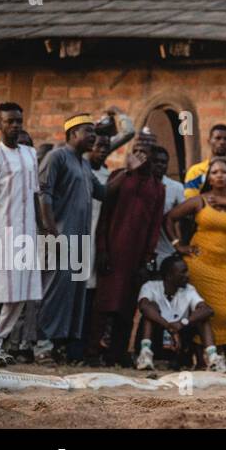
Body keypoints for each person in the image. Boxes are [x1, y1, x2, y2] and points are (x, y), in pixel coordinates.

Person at [166, 157, 226, 369]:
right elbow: (169, 218)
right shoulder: (199, 200)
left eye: (224, 172)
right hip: (200, 264)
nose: (219, 176)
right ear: (208, 178)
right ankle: (203, 360)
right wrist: (178, 245)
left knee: (225, 313)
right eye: (214, 172)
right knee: (202, 311)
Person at [87, 137, 164, 365]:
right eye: (136, 150)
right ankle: (92, 353)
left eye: (144, 152)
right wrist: (102, 249)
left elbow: (155, 226)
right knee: (103, 305)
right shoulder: (118, 177)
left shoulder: (158, 188)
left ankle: (116, 354)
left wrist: (147, 259)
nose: (139, 155)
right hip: (113, 250)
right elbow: (105, 214)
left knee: (126, 307)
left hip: (136, 256)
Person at [35, 114, 104, 363]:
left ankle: (58, 346)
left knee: (71, 296)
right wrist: (52, 232)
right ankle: (41, 346)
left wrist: (130, 171)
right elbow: (43, 194)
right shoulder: (57, 157)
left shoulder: (85, 164)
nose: (93, 137)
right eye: (88, 131)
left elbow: (103, 192)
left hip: (80, 242)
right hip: (60, 238)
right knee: (52, 293)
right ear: (72, 134)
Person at [0, 103, 42, 366]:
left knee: (20, 294)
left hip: (27, 234)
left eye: (19, 121)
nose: (16, 126)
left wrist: (41, 230)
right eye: (10, 122)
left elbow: (34, 195)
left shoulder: (31, 155)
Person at [134, 254, 222, 372]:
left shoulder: (189, 289)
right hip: (157, 335)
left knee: (202, 316)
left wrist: (181, 323)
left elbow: (207, 310)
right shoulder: (150, 286)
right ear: (169, 276)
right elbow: (143, 306)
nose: (187, 275)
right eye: (183, 272)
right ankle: (145, 355)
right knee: (151, 309)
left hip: (180, 338)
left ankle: (213, 359)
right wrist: (168, 326)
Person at [183, 124, 226, 207]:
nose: (222, 142)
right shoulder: (195, 171)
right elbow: (190, 203)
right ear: (209, 141)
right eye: (218, 138)